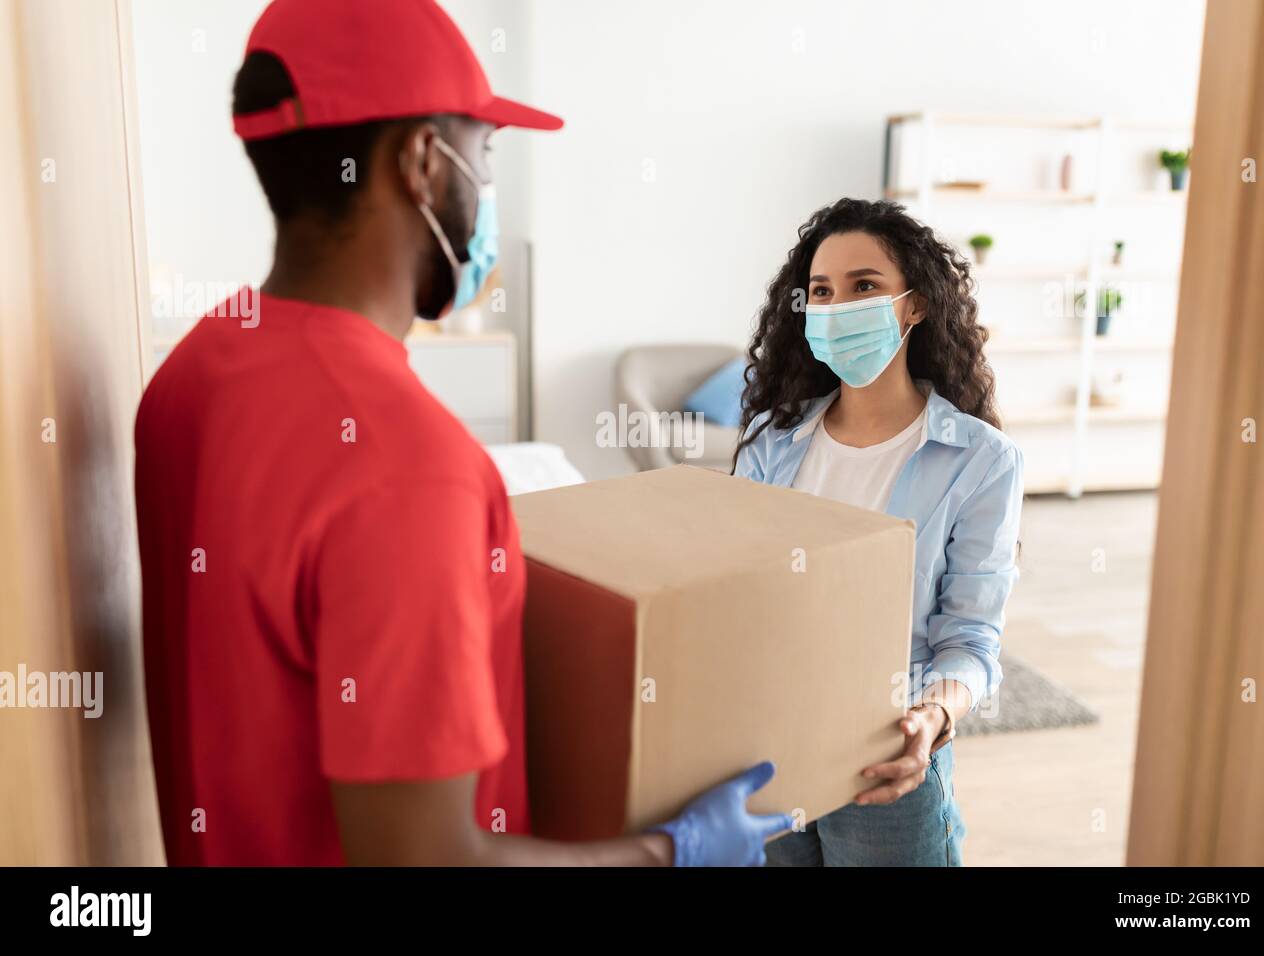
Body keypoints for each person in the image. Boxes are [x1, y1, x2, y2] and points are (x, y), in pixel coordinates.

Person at [134, 0, 789, 866]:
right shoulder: (406, 462)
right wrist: (673, 853)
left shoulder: (195, 369)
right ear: (418, 161)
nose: (483, 192)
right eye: (483, 155)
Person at [733, 198, 1024, 866]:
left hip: (885, 758)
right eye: (822, 292)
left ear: (915, 305)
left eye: (864, 286)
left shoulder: (981, 461)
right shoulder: (771, 448)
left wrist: (933, 718)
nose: (839, 307)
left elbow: (972, 640)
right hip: (764, 751)